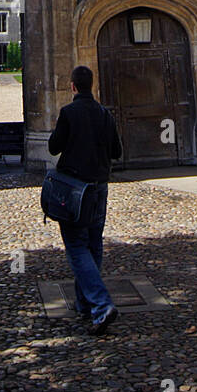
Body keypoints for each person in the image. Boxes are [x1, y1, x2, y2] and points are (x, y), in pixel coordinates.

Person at [48, 65, 122, 335]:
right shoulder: (105, 114)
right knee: (93, 244)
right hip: (99, 186)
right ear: (92, 85)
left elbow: (54, 146)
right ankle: (84, 302)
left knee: (77, 246)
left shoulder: (68, 113)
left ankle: (101, 305)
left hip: (75, 189)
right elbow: (117, 151)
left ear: (72, 86)